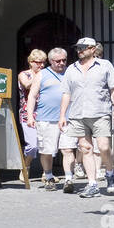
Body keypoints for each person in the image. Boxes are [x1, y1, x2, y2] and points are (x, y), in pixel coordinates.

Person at [58, 37, 114, 199]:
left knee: (103, 147)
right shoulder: (72, 69)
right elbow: (66, 93)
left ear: (93, 49)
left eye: (83, 48)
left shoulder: (105, 66)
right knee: (85, 149)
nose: (79, 50)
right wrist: (62, 115)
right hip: (78, 115)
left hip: (100, 113)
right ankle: (92, 184)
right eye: (78, 48)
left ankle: (110, 174)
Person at [25, 47, 79, 192]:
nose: (61, 63)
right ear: (50, 61)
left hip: (68, 118)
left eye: (64, 60)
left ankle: (68, 179)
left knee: (68, 149)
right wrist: (30, 116)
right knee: (47, 151)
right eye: (57, 61)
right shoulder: (42, 74)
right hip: (46, 118)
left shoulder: (71, 72)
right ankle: (48, 177)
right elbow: (32, 96)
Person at [17, 50, 46, 174]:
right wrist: (38, 75)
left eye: (43, 63)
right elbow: (27, 85)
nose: (42, 65)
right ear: (31, 62)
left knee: (46, 145)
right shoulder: (24, 74)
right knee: (33, 145)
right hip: (27, 113)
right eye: (39, 63)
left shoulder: (46, 74)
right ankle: (26, 166)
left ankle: (47, 173)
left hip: (44, 112)